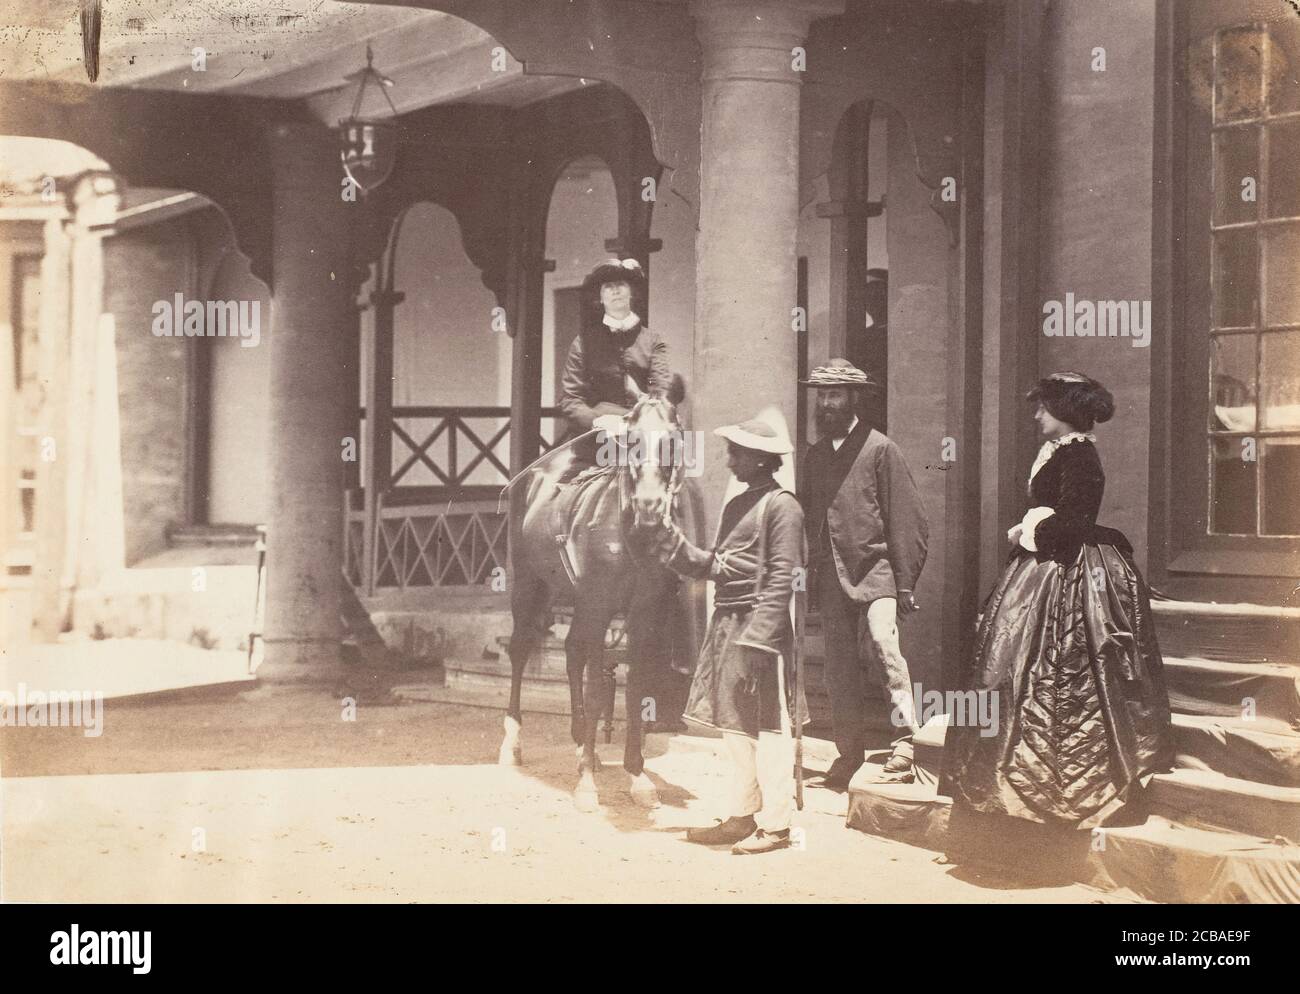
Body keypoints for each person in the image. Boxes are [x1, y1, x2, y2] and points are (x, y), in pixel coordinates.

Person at [939, 372, 1173, 834]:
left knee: (1061, 669)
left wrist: (1026, 531)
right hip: (1046, 568)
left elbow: (1075, 522)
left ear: (1064, 412)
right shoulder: (1061, 451)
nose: (1036, 415)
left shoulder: (1081, 455)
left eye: (1043, 407)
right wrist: (1032, 525)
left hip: (1068, 571)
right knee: (1015, 669)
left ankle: (1059, 781)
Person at [651, 415, 806, 855]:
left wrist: (760, 637)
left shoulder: (783, 506)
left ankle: (776, 827)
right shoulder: (740, 503)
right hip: (728, 625)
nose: (729, 458)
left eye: (737, 451)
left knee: (771, 733)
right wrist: (671, 543)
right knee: (736, 730)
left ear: (761, 459)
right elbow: (716, 565)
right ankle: (742, 815)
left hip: (762, 631)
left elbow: (782, 576)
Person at [801, 358, 929, 789]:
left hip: (877, 573)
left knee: (884, 650)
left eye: (835, 394)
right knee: (838, 668)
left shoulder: (880, 449)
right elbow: (810, 518)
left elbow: (906, 520)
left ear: (854, 398)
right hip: (833, 578)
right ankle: (848, 754)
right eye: (823, 395)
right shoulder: (815, 455)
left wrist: (905, 582)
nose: (827, 403)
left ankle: (906, 745)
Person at [558, 257, 672, 461]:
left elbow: (661, 391)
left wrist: (641, 419)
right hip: (597, 442)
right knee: (564, 489)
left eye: (621, 284)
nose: (615, 290)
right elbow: (570, 399)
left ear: (632, 292)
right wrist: (598, 421)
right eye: (608, 287)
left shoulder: (653, 341)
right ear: (600, 298)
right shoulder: (582, 343)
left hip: (644, 440)